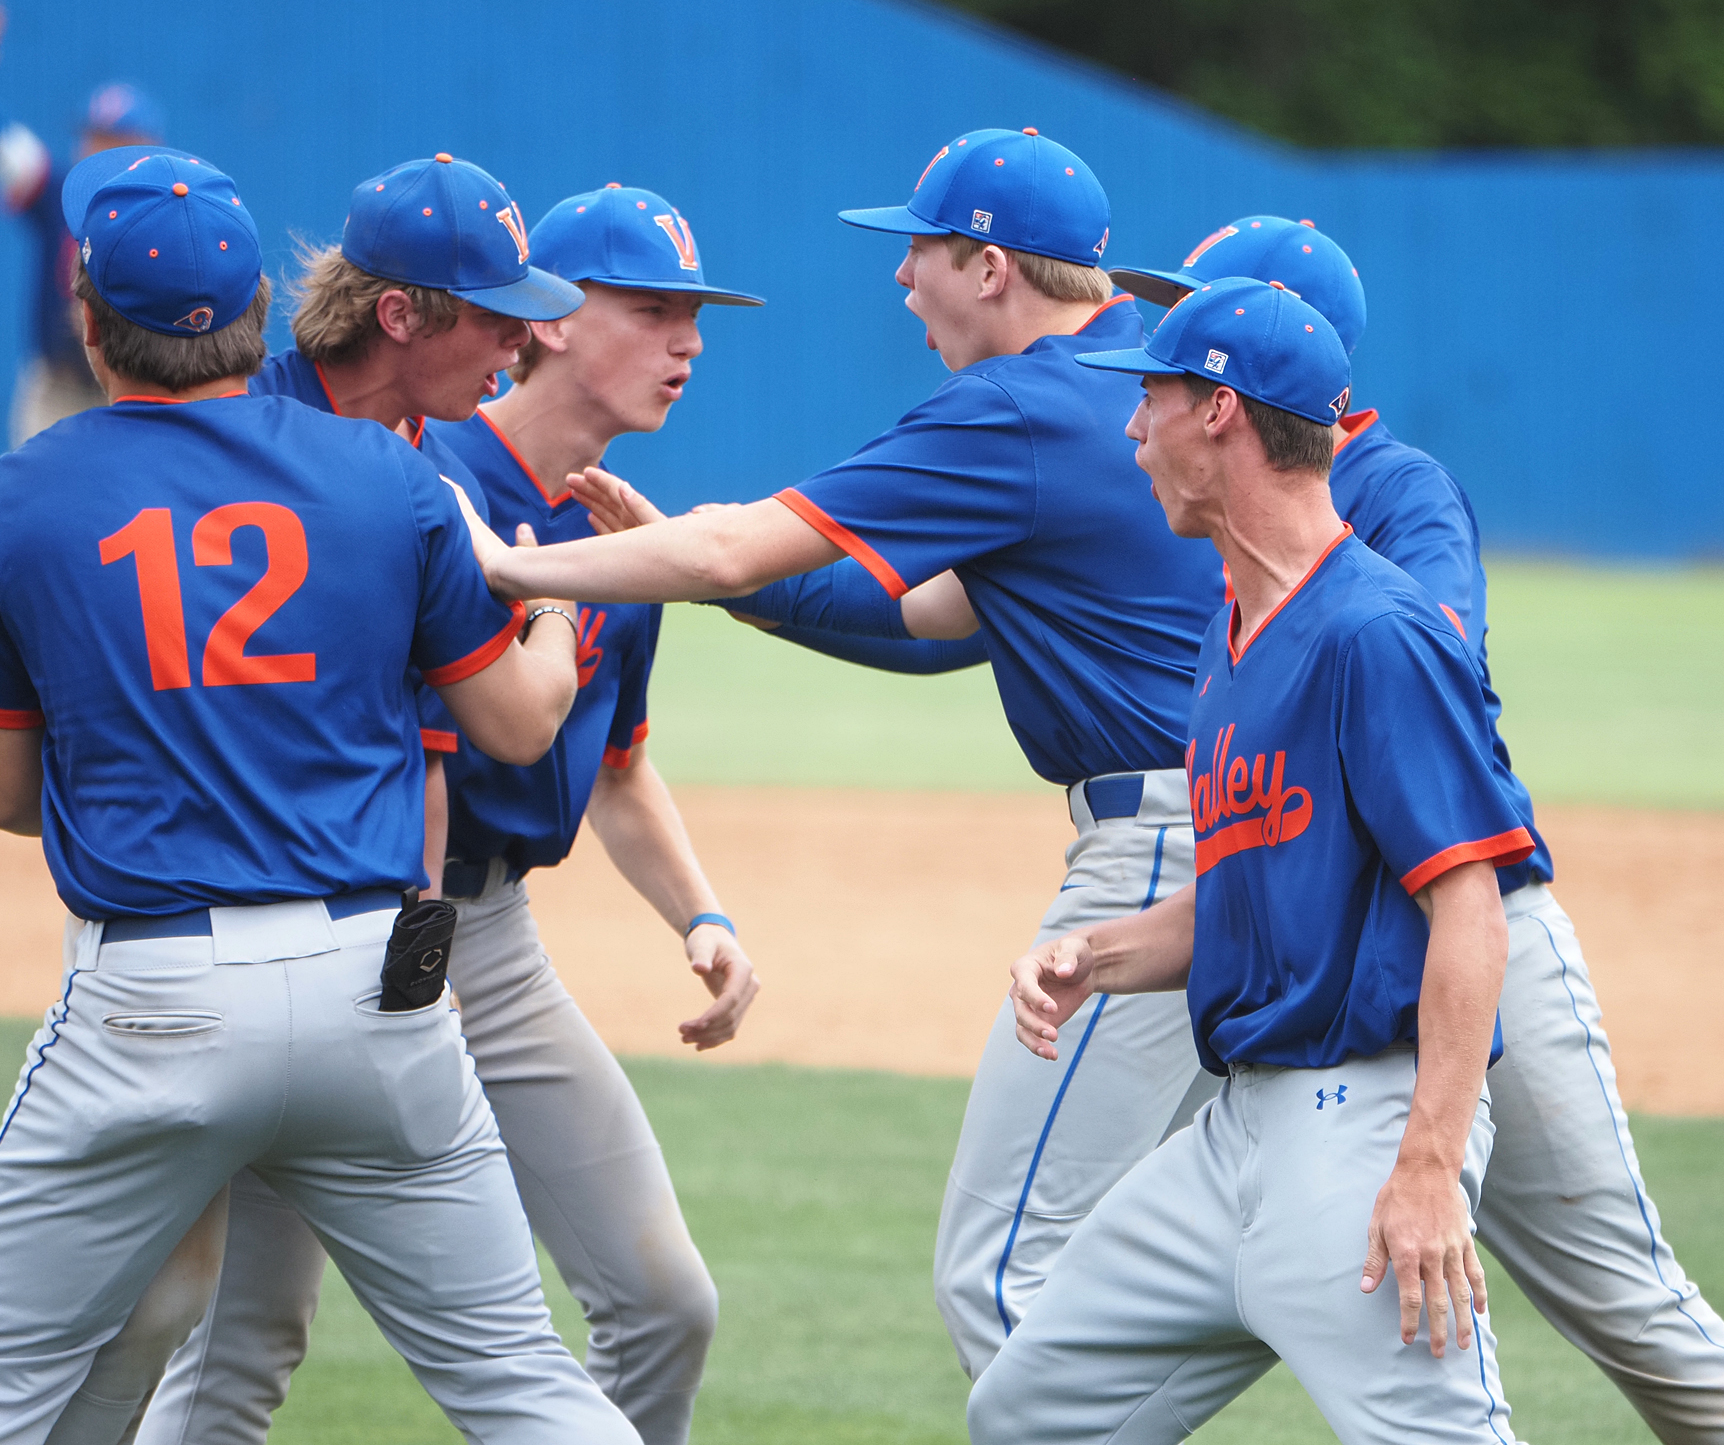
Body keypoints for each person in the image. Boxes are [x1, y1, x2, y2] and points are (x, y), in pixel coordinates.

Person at [0, 143, 639, 1445]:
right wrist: (564, 597)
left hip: (155, 1001)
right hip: (380, 992)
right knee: (522, 1385)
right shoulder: (395, 477)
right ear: (255, 320)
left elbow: (3, 794)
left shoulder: (20, 496)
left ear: (86, 317)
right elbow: (517, 726)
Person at [469, 127, 1230, 1377]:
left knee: (1003, 1276)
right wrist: (697, 565)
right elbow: (929, 624)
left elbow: (733, 553)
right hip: (1259, 830)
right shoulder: (1122, 393)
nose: (900, 278)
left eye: (919, 249)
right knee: (1210, 1242)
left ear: (988, 269)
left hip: (1163, 849)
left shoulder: (1017, 407)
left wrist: (515, 562)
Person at [128, 182, 765, 1445]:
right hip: (347, 924)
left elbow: (617, 762)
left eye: (695, 316)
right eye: (655, 311)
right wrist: (406, 950)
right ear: (554, 321)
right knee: (248, 1329)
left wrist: (699, 912)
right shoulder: (416, 458)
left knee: (662, 1301)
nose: (688, 342)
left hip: (493, 943)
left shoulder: (607, 529)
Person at [1110, 217, 1724, 1443]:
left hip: (1463, 926)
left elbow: (1420, 654)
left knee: (1625, 1306)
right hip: (1309, 941)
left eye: (1203, 307)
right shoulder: (1223, 522)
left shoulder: (1389, 493)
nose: (1174, 334)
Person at [965, 275, 1534, 1444]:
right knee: (1028, 1412)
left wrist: (1425, 1162)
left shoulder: (1373, 633)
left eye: (1150, 398)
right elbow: (1236, 899)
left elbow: (1471, 913)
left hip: (1360, 1127)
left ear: (1217, 411)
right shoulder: (1232, 642)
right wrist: (1093, 954)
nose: (1130, 428)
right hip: (1231, 1143)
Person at [0, 0, 167, 446]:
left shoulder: (165, 208)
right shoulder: (58, 190)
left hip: (130, 392)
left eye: (116, 139)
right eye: (94, 136)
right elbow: (0, 146)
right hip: (57, 391)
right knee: (35, 508)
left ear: (149, 144)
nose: (100, 148)